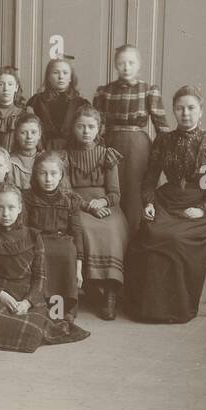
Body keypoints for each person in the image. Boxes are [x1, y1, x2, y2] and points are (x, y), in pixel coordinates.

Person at [0, 186, 90, 353]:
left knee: (32, 330)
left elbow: (40, 277)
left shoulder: (33, 236)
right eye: (0, 207)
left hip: (27, 296)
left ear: (19, 208)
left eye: (11, 207)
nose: (5, 214)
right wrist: (1, 295)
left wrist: (27, 302)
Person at [126, 86, 206, 323]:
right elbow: (150, 178)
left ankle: (176, 308)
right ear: (173, 111)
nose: (186, 113)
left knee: (173, 238)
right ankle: (147, 307)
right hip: (167, 201)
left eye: (191, 108)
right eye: (180, 108)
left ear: (200, 111)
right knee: (150, 232)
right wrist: (149, 202)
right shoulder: (164, 140)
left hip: (200, 206)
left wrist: (201, 208)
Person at [93, 44, 170, 236]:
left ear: (139, 65)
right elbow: (96, 125)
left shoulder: (148, 91)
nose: (126, 67)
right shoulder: (105, 91)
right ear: (115, 66)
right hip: (110, 147)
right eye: (121, 63)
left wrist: (168, 150)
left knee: (136, 196)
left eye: (131, 63)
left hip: (138, 151)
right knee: (114, 191)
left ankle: (137, 247)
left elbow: (162, 126)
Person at [65, 105, 126, 319]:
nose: (86, 131)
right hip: (77, 204)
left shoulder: (107, 155)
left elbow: (116, 193)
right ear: (73, 128)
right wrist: (87, 206)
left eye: (91, 126)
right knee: (82, 226)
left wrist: (102, 202)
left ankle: (110, 291)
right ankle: (90, 287)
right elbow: (66, 191)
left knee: (112, 229)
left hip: (105, 205)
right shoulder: (66, 156)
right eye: (81, 126)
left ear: (99, 129)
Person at [23, 151, 85, 320]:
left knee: (67, 251)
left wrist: (78, 270)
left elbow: (77, 233)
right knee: (43, 254)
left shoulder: (70, 200)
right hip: (36, 241)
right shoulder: (27, 198)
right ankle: (42, 305)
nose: (48, 179)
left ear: (61, 175)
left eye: (53, 174)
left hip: (61, 241)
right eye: (43, 174)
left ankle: (65, 308)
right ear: (35, 175)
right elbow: (23, 228)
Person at [28, 56, 88, 152]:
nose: (61, 77)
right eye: (56, 73)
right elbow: (28, 127)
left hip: (74, 152)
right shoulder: (36, 101)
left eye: (65, 73)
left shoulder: (81, 103)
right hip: (42, 151)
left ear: (70, 78)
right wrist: (40, 148)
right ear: (48, 77)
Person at [0, 66, 27, 152]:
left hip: (16, 160)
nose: (6, 89)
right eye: (1, 84)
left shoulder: (24, 113)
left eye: (10, 84)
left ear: (16, 87)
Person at [7, 112, 43, 191]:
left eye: (33, 132)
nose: (29, 137)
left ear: (39, 135)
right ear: (16, 135)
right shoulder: (10, 162)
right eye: (23, 133)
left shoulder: (46, 159)